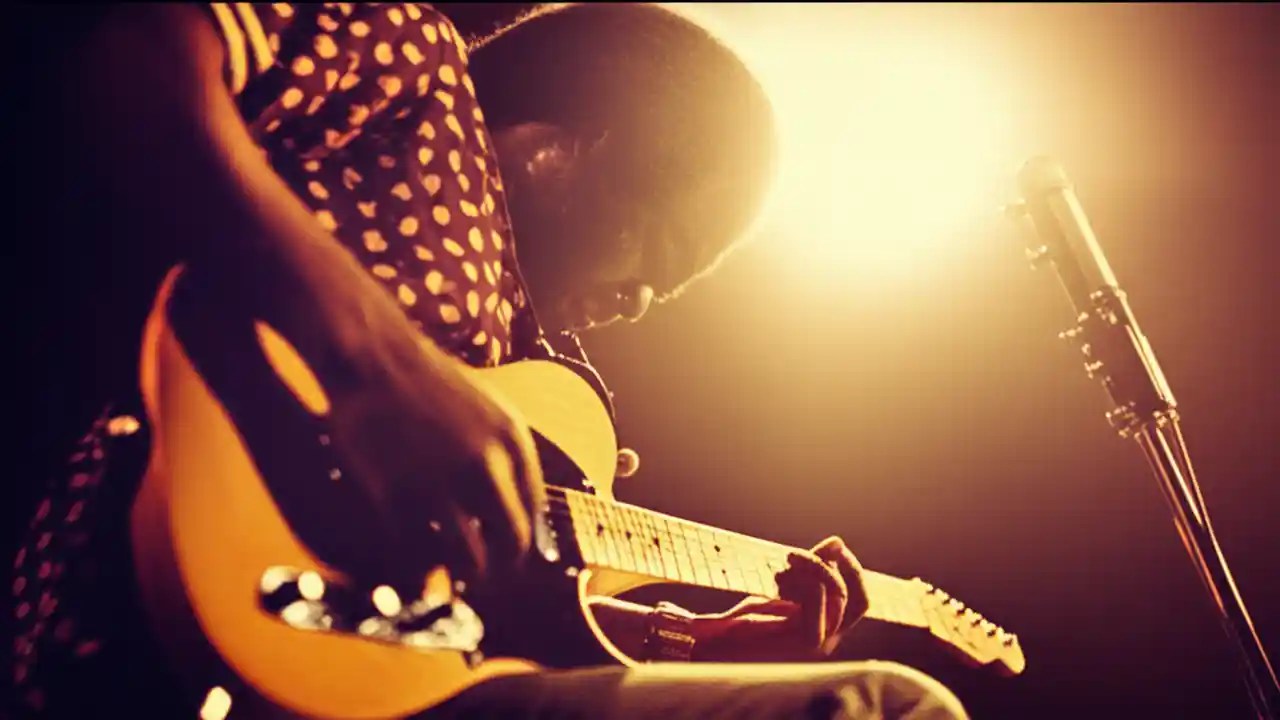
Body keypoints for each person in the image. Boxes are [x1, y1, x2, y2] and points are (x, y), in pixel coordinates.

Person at [7, 3, 969, 719]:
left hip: (329, 668)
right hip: (97, 568)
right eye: (654, 254)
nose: (639, 302)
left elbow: (470, 623)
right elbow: (131, 53)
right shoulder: (414, 67)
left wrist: (688, 640)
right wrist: (372, 359)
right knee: (890, 708)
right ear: (559, 154)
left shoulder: (530, 380)